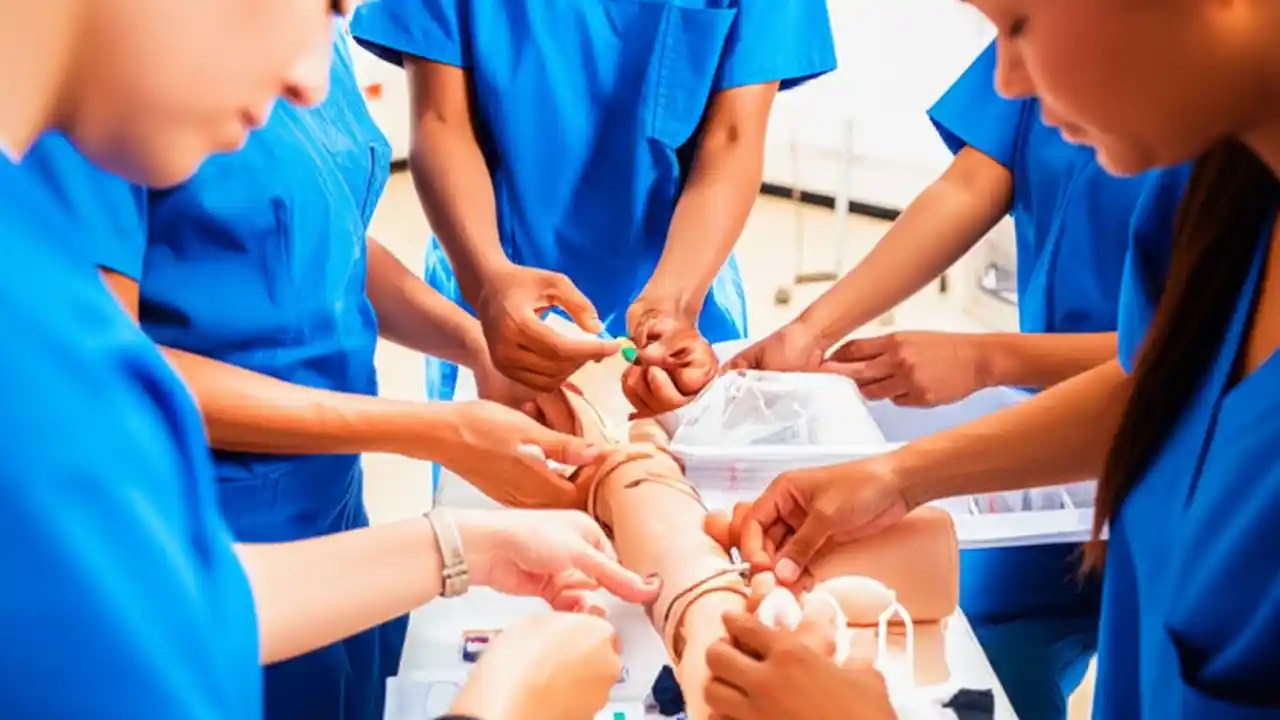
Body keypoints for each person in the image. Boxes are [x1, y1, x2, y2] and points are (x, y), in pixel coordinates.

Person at [0, 2, 657, 717]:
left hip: (313, 533)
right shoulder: (45, 327)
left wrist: (463, 542)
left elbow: (183, 602)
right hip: (244, 510)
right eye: (326, 7)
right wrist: (504, 705)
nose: (310, 81)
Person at [713, 2, 1280, 716]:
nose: (1008, 84)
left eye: (1019, 25)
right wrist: (898, 476)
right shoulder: (1222, 184)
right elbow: (1167, 389)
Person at [349, 0, 838, 424]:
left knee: (678, 504)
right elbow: (440, 119)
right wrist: (487, 281)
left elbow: (733, 137)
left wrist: (675, 301)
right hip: (493, 277)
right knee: (505, 511)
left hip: (681, 280)